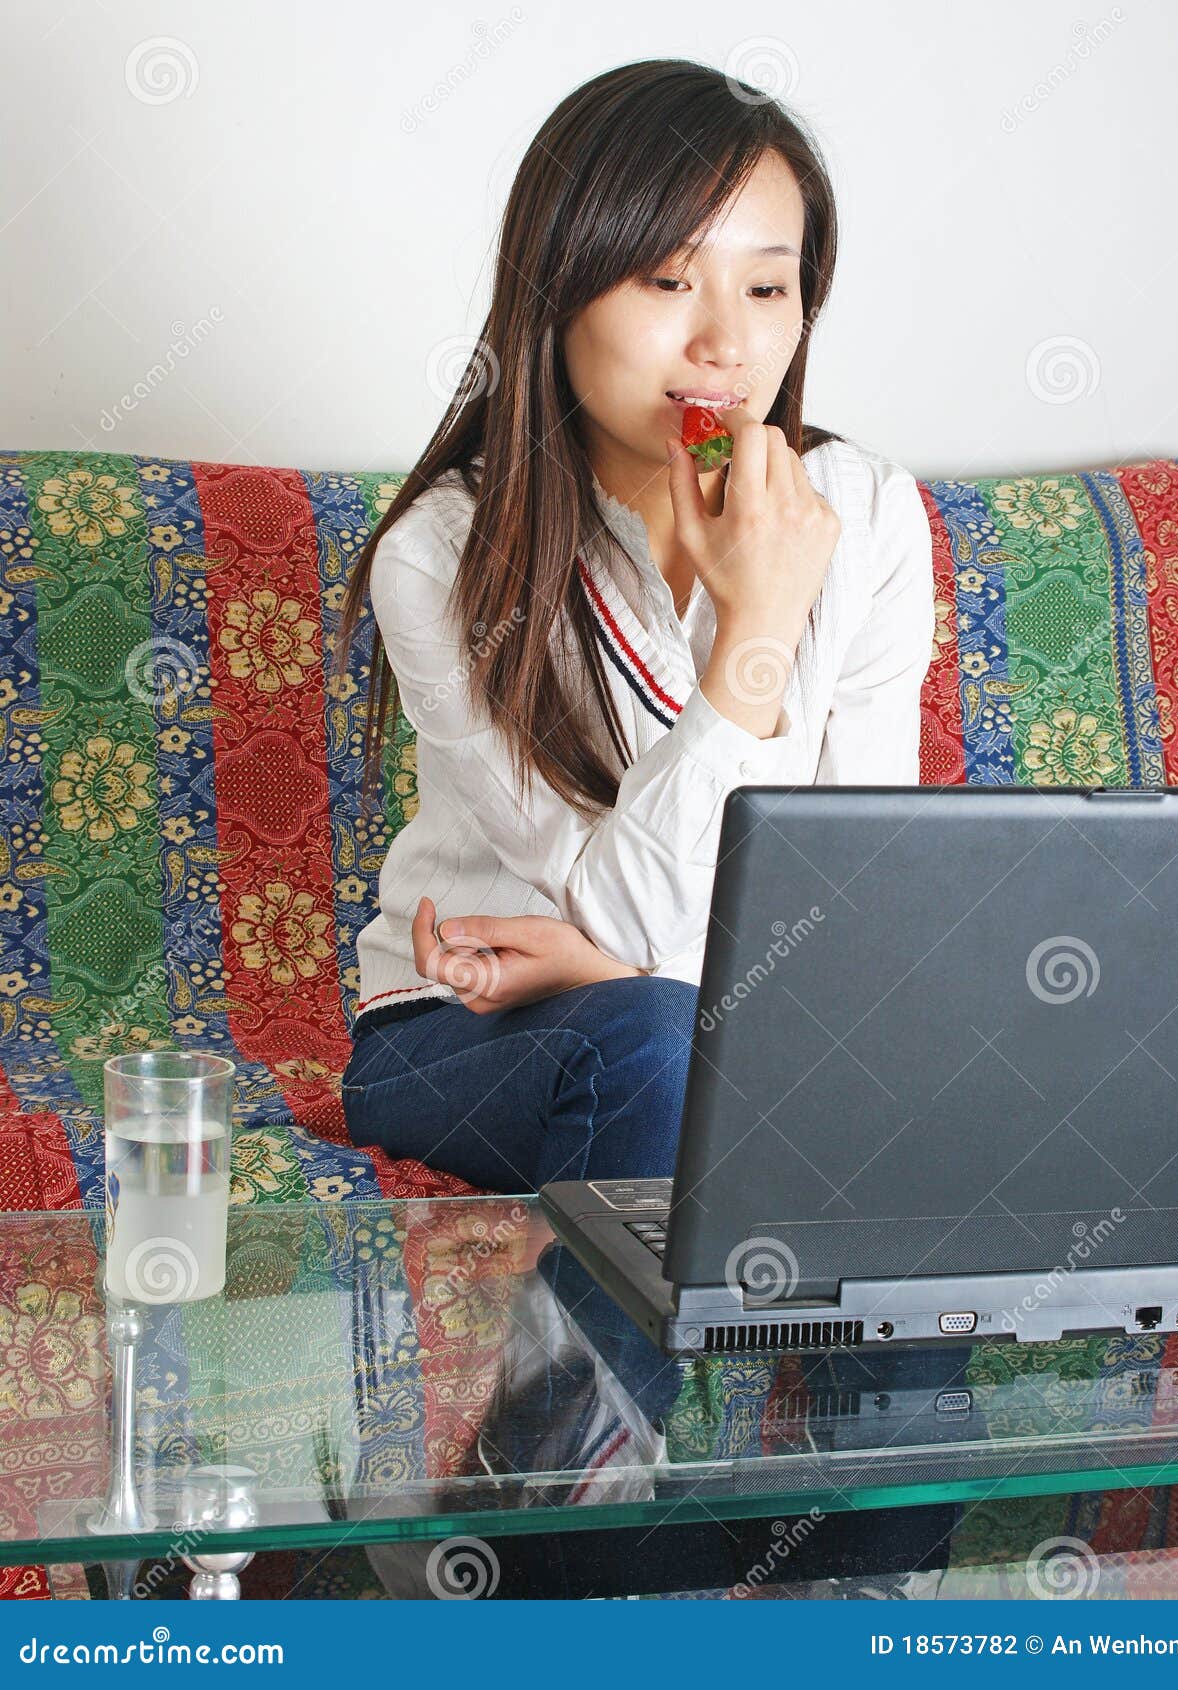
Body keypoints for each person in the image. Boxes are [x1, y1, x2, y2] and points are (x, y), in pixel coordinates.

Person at [334, 58, 935, 1194]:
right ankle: (581, 1385)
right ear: (558, 288)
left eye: (767, 289)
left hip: (755, 1033)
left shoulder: (862, 513)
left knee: (948, 1075)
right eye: (668, 281)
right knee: (662, 1038)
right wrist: (754, 626)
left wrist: (637, 959)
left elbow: (861, 897)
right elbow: (613, 911)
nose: (726, 345)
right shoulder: (443, 556)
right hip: (478, 1036)